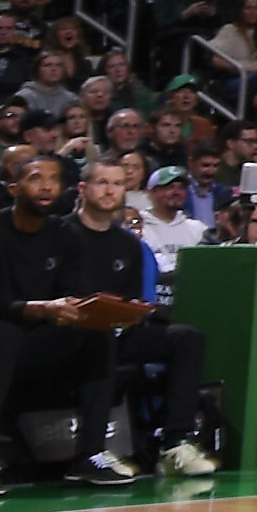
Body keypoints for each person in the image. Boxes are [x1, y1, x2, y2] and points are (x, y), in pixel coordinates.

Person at [0, 148, 140, 494]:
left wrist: (102, 312)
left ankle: (90, 455)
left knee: (96, 334)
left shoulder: (65, 235)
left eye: (53, 179)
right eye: (35, 178)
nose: (46, 186)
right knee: (3, 333)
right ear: (13, 188)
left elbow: (74, 294)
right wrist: (42, 309)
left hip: (28, 341)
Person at [62, 157, 217, 475]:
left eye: (117, 184)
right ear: (83, 188)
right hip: (67, 333)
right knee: (99, 337)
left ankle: (175, 442)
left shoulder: (129, 245)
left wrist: (132, 314)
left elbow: (131, 300)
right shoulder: (59, 234)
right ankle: (90, 454)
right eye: (102, 183)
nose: (110, 191)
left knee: (185, 338)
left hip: (116, 331)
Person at [133, 165, 209, 273]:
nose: (176, 192)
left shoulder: (198, 229)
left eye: (181, 187)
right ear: (151, 192)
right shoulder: (138, 226)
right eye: (169, 187)